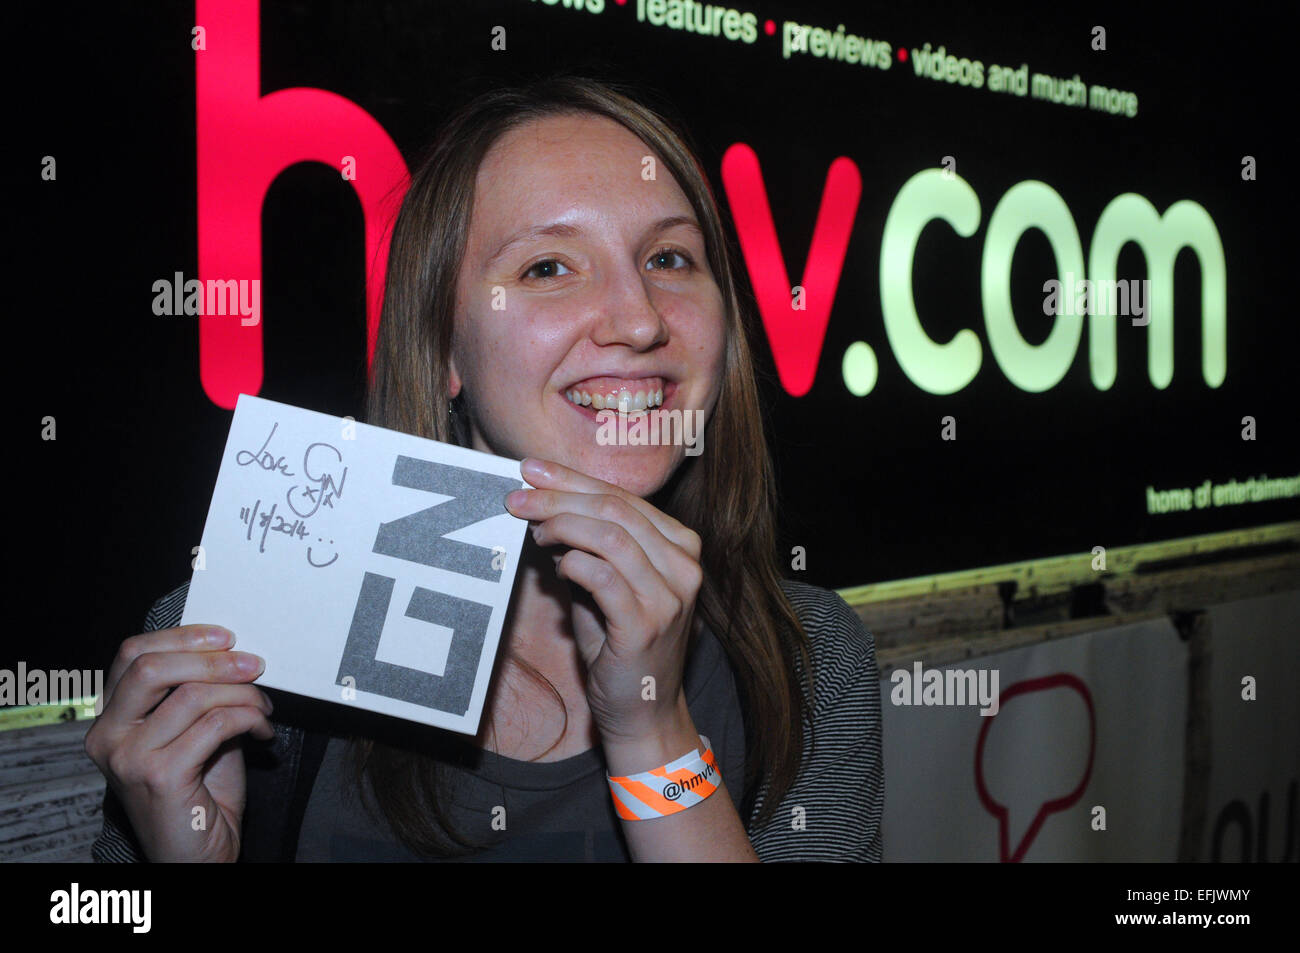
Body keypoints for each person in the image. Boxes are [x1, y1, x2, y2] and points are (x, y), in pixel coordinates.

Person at [87, 73, 883, 862]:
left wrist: (652, 732)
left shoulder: (809, 661)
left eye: (670, 257)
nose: (640, 319)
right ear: (443, 352)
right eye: (547, 267)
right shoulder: (234, 636)